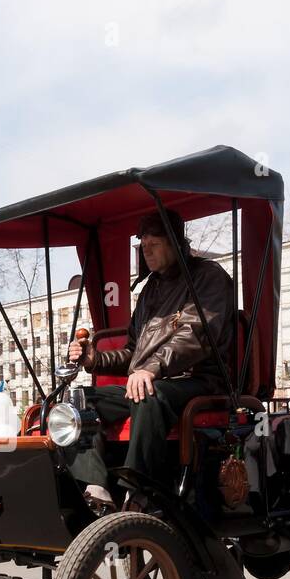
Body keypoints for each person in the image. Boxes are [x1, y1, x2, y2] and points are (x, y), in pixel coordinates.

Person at [67, 208, 236, 507]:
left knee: (148, 394)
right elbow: (135, 352)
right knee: (78, 403)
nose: (146, 248)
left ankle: (139, 490)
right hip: (153, 381)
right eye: (142, 244)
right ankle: (96, 487)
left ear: (174, 242)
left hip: (198, 381)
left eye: (153, 242)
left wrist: (153, 368)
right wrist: (96, 360)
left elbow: (198, 335)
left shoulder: (208, 277)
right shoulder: (149, 290)